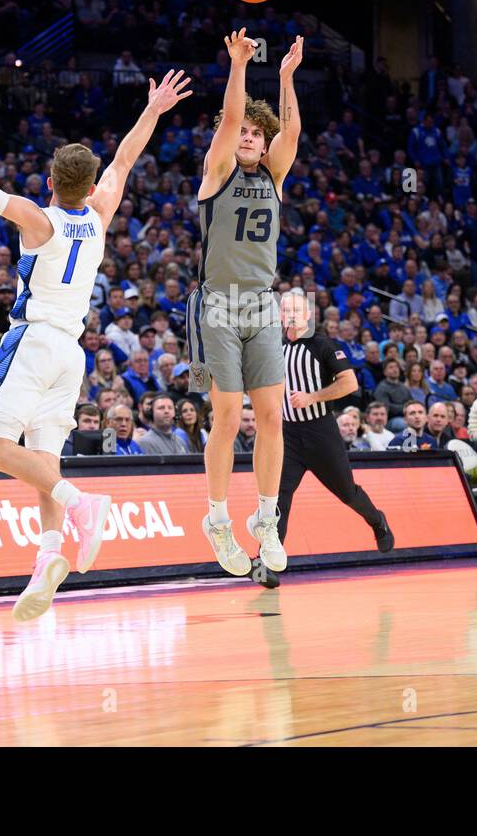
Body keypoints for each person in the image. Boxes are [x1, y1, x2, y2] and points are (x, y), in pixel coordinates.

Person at [0, 70, 191, 622]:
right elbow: (125, 159)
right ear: (89, 183)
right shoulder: (99, 216)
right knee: (40, 462)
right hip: (72, 352)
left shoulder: (37, 220)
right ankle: (49, 555)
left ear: (50, 180)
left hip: (31, 343)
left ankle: (82, 504)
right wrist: (154, 109)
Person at [191, 29, 304, 579]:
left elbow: (294, 132)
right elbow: (231, 119)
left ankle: (266, 517)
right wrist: (238, 64)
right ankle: (216, 518)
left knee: (270, 418)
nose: (250, 138)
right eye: (244, 132)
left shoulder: (276, 175)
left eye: (260, 134)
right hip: (215, 305)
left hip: (261, 304)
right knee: (228, 416)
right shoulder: (217, 172)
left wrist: (285, 77)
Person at [250, 290, 392, 587]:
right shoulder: (274, 347)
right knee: (277, 498)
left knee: (346, 492)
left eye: (294, 309)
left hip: (320, 432)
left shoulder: (324, 345)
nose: (288, 313)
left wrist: (313, 397)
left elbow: (350, 383)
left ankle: (377, 520)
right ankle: (266, 562)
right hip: (288, 434)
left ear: (307, 315)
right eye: (284, 308)